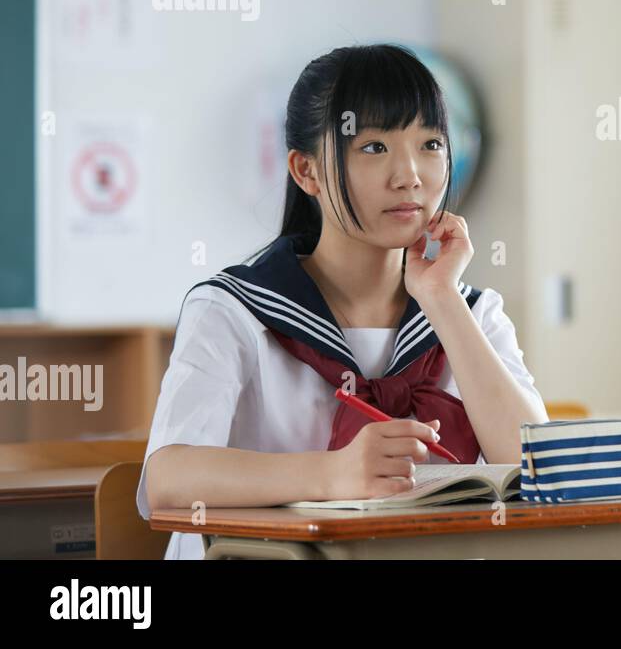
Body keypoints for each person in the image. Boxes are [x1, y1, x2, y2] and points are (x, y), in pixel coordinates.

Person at [137, 43, 547, 557]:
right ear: (305, 171)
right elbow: (168, 478)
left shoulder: (472, 311)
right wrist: (333, 473)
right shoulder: (234, 310)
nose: (410, 175)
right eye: (374, 147)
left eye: (431, 144)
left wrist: (442, 299)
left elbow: (537, 469)